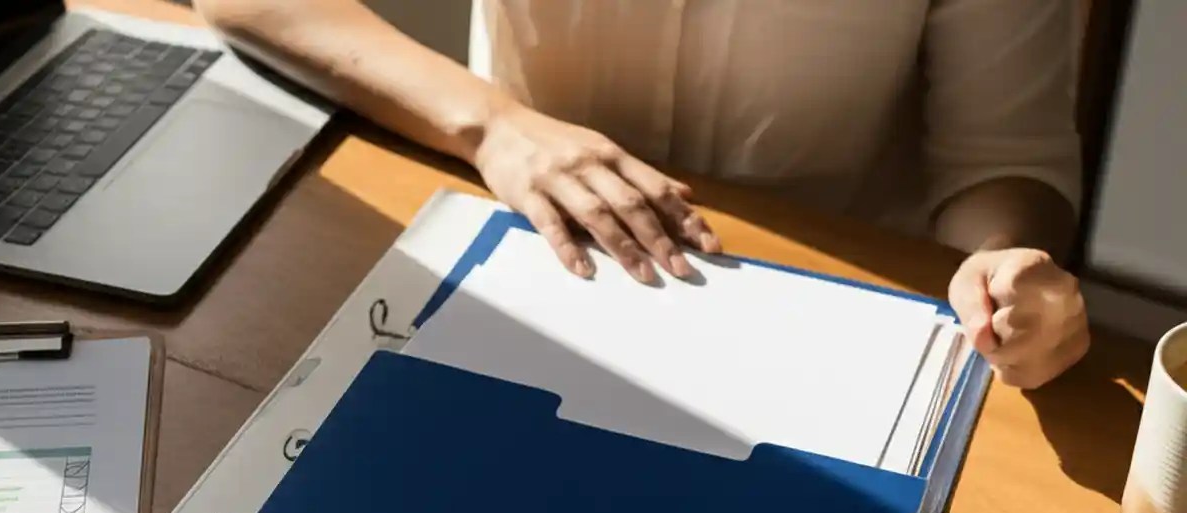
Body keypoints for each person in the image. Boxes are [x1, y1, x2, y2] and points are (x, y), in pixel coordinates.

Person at [193, 0, 1090, 389]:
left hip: (832, 321)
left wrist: (1006, 263)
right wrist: (490, 124)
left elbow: (1002, 156)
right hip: (530, 261)